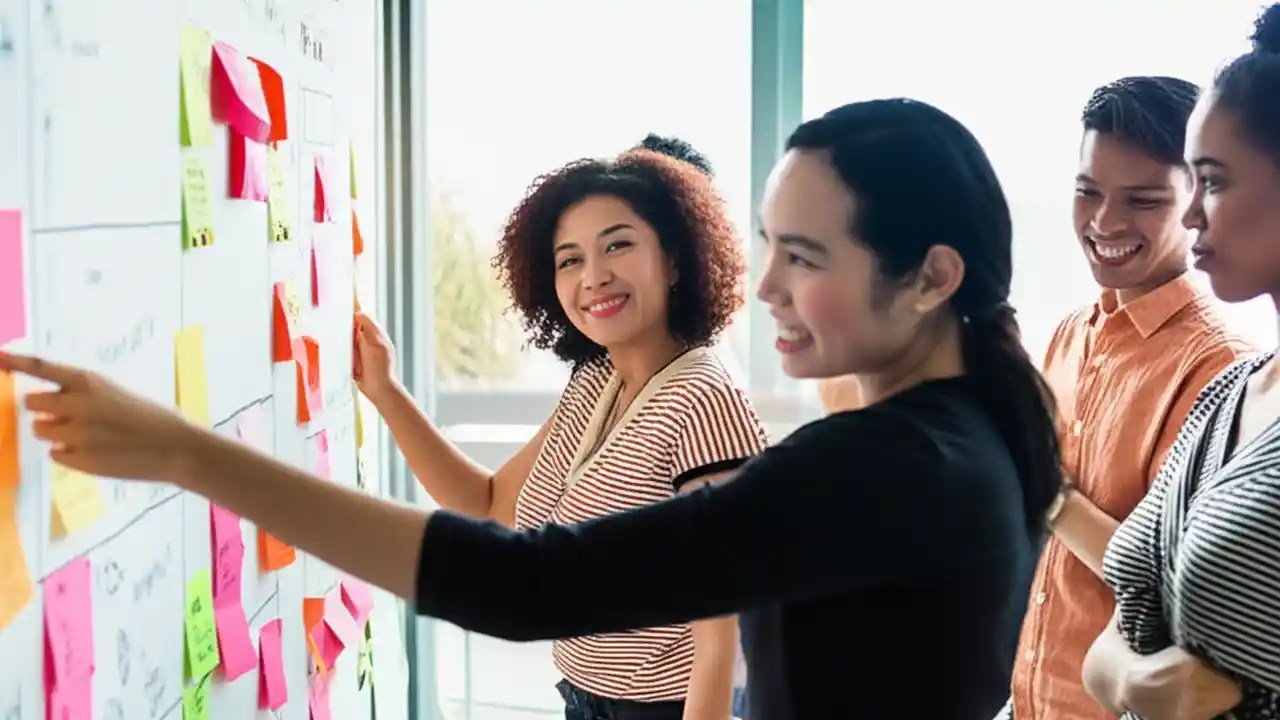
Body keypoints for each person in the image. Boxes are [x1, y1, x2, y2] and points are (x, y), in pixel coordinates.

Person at [1, 97, 1062, 719]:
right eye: (769, 244)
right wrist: (379, 393)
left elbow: (528, 583)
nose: (772, 287)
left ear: (929, 276)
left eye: (805, 255)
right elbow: (505, 516)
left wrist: (192, 456)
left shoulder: (886, 465)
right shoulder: (951, 438)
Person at [352, 134, 768, 720]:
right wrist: (385, 393)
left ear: (673, 260)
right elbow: (487, 501)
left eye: (617, 246)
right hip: (584, 701)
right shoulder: (596, 381)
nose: (593, 276)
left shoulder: (705, 398)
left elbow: (724, 639)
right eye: (570, 259)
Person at [1004, 77, 1252, 720]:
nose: (1105, 222)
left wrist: (1046, 492)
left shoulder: (1218, 367)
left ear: (1195, 198)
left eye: (1142, 200)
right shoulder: (1069, 333)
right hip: (1031, 696)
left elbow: (1173, 587)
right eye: (1087, 192)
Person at [1080, 5, 1280, 718]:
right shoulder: (1232, 393)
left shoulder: (1211, 359)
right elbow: (1108, 647)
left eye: (1215, 181)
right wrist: (1135, 683)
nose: (1191, 214)